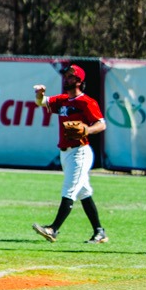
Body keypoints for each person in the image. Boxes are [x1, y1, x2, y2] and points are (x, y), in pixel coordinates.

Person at [30, 65, 108, 244]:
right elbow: (41, 102)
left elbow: (101, 124)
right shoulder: (63, 100)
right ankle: (99, 231)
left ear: (79, 81)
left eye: (71, 76)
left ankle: (53, 229)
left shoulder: (87, 102)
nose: (67, 78)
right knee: (84, 192)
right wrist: (40, 94)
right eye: (66, 75)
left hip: (80, 153)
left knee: (69, 190)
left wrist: (87, 129)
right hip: (66, 153)